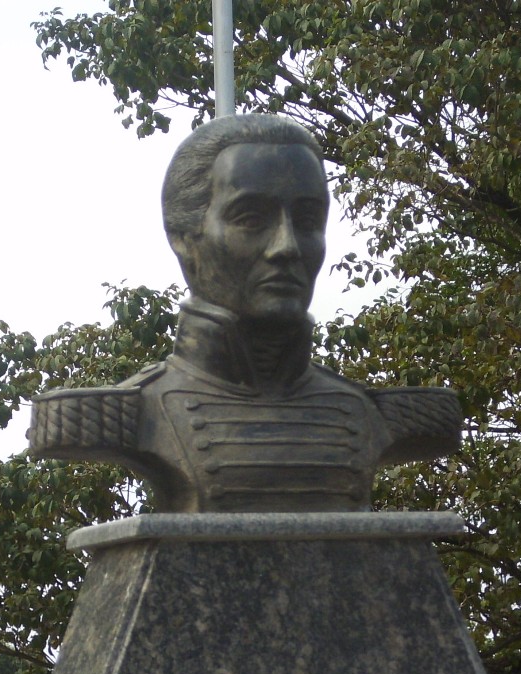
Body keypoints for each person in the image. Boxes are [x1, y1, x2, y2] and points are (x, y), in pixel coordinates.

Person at [29, 114, 459, 513]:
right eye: (251, 219)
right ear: (183, 237)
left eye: (308, 220)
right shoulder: (118, 416)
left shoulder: (383, 417)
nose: (287, 246)